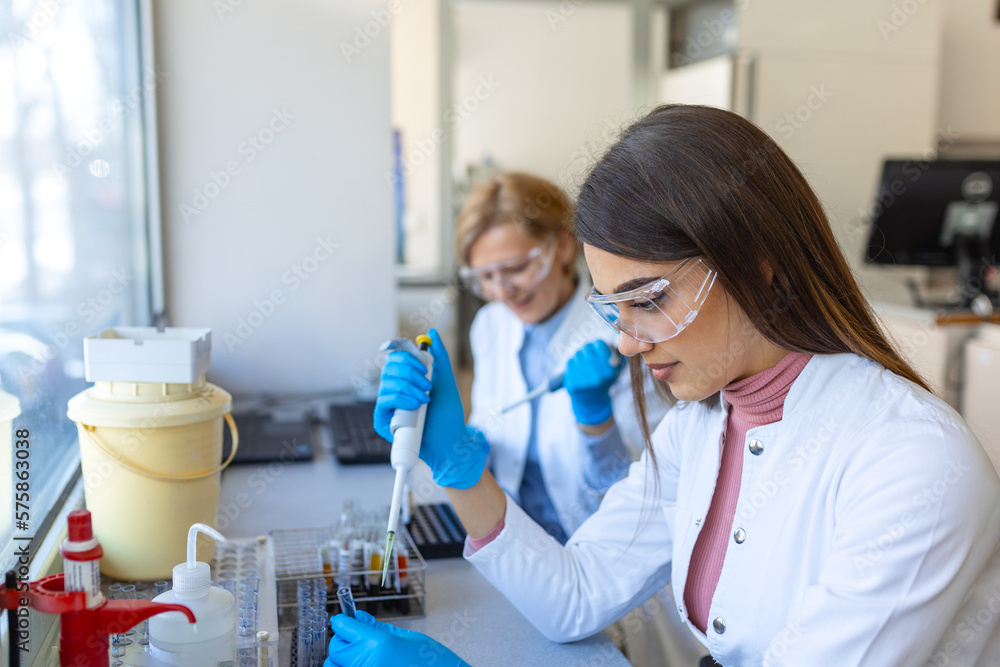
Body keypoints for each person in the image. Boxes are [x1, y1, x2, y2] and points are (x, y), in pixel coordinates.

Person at [329, 105, 1000, 666]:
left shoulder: (910, 461)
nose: (627, 340)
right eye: (613, 308)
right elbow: (577, 592)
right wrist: (454, 464)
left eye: (648, 299)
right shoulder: (703, 424)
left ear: (759, 267)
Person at [382, 172, 702, 665]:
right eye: (483, 277)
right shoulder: (490, 326)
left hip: (604, 570)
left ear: (557, 245)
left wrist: (595, 422)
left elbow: (645, 493)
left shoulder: (630, 327)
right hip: (511, 548)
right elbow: (497, 436)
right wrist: (443, 434)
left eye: (514, 268)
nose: (502, 289)